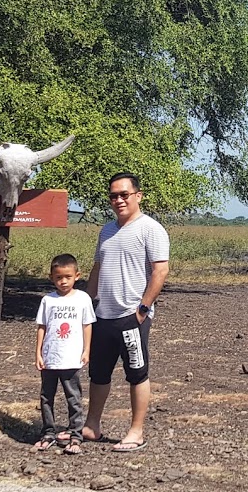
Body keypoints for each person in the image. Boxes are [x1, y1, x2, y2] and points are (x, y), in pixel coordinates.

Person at [81, 172, 169, 453]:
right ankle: (92, 425)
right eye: (113, 196)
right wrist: (85, 302)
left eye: (124, 195)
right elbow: (97, 268)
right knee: (99, 373)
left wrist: (143, 308)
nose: (118, 200)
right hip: (102, 315)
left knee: (137, 373)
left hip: (132, 316)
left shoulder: (150, 229)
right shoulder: (106, 230)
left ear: (138, 196)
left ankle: (136, 431)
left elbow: (160, 271)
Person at [33, 253, 94, 455]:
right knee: (46, 397)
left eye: (68, 276)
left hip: (71, 358)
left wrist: (87, 350)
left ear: (77, 275)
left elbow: (87, 326)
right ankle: (48, 433)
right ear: (52, 278)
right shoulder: (48, 301)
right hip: (51, 357)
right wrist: (38, 353)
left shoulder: (82, 299)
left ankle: (75, 435)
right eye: (59, 277)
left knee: (73, 398)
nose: (63, 281)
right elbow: (42, 327)